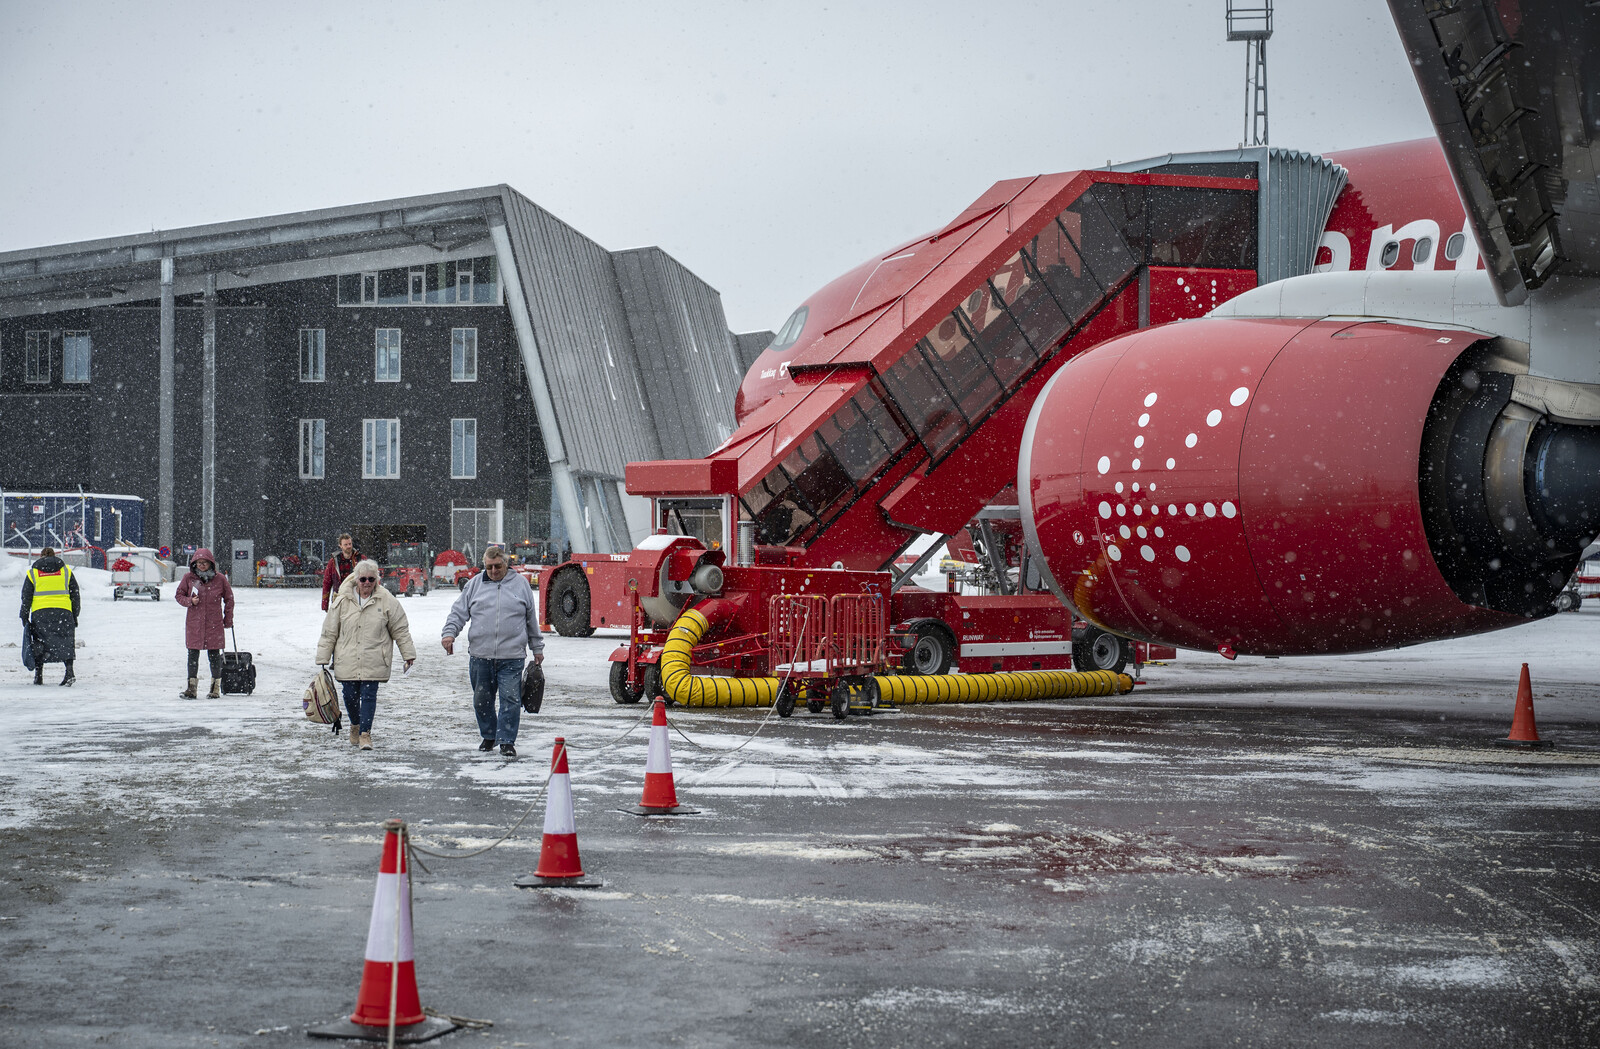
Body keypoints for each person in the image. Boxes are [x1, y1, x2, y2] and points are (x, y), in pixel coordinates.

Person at [441, 544, 544, 758]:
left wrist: (537, 648)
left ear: (506, 563)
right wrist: (449, 633)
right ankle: (489, 735)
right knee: (481, 700)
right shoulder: (474, 585)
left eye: (497, 566)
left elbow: (530, 620)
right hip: (481, 656)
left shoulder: (521, 585)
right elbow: (458, 612)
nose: (494, 571)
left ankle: (506, 740)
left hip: (512, 656)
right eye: (489, 567)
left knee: (511, 699)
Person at [316, 559, 416, 751]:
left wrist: (408, 654)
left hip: (375, 657)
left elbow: (400, 629)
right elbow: (329, 631)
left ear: (376, 580)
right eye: (363, 579)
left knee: (369, 695)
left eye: (371, 579)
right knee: (350, 696)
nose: (367, 583)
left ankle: (365, 734)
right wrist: (323, 657)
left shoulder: (387, 600)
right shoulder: (342, 601)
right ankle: (355, 724)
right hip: (347, 658)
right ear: (356, 579)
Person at [174, 548, 235, 698]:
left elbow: (229, 599)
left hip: (214, 624)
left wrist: (228, 619)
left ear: (211, 563)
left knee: (214, 656)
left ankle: (215, 689)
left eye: (205, 562)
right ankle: (191, 689)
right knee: (192, 655)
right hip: (194, 624)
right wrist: (190, 601)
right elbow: (179, 595)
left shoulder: (220, 579)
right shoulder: (188, 578)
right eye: (199, 562)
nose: (201, 565)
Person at [20, 546, 80, 686]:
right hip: (63, 612)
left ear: (41, 556)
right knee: (66, 642)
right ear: (54, 556)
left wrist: (24, 615)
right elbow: (75, 595)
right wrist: (75, 614)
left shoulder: (33, 573)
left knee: (40, 642)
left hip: (40, 613)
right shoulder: (66, 571)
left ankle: (39, 676)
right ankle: (69, 672)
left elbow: (26, 597)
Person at [321, 533, 361, 612]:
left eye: (350, 544)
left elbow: (372, 578)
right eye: (345, 544)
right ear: (340, 546)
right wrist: (325, 604)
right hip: (338, 598)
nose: (348, 546)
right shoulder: (333, 562)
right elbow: (327, 583)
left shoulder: (360, 559)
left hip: (356, 599)